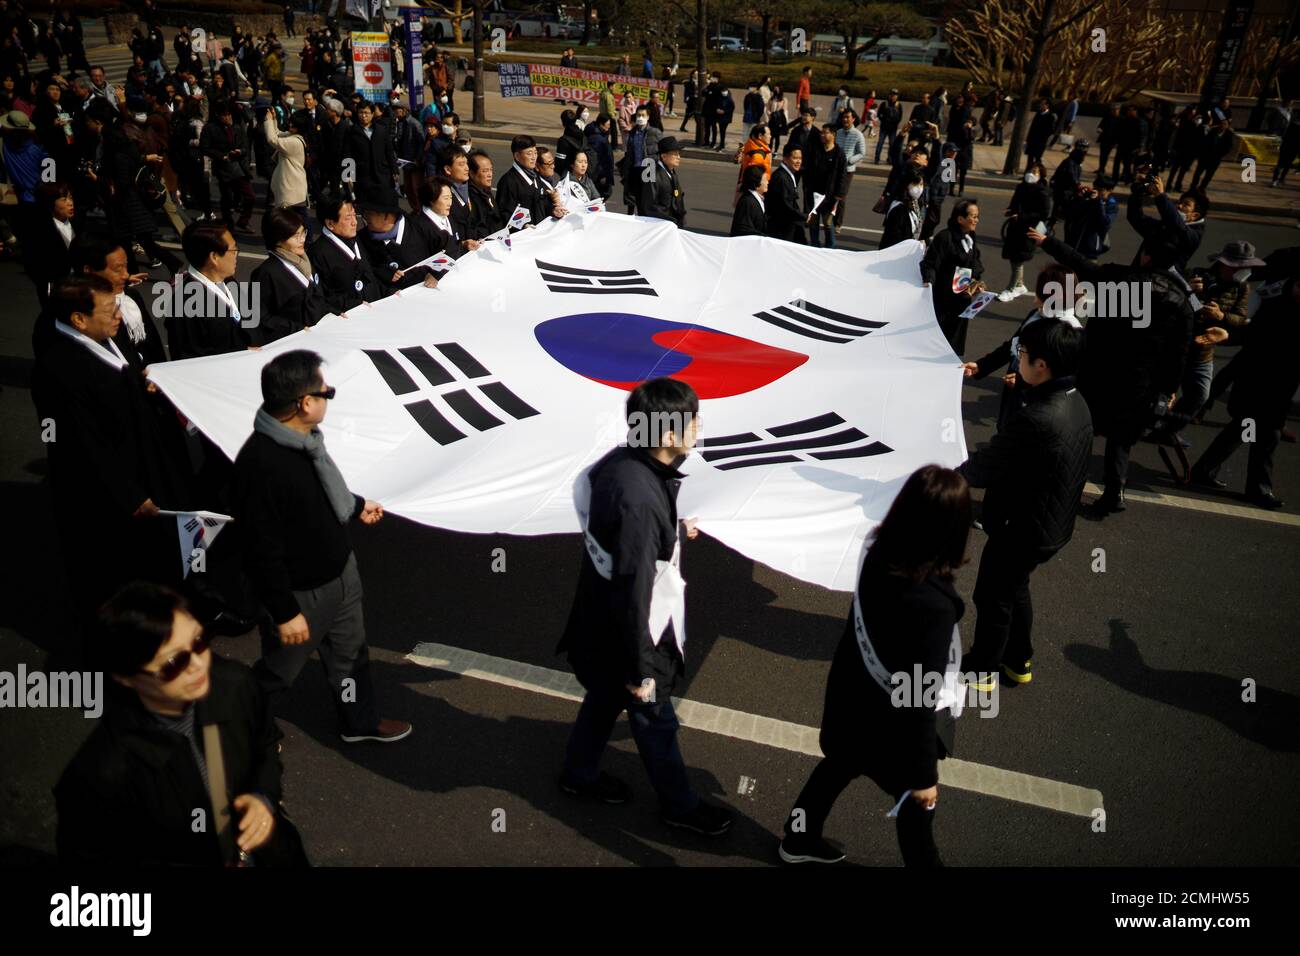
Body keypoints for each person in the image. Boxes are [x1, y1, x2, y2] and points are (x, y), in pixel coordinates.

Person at [556, 378, 732, 836]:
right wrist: (639, 670)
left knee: (604, 696)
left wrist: (671, 527)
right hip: (631, 633)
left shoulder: (622, 464)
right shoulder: (640, 501)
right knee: (654, 715)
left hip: (599, 621)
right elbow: (635, 590)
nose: (699, 426)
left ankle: (579, 773)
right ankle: (680, 805)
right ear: (669, 435)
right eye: (692, 420)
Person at [779, 465, 971, 866]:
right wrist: (923, 777)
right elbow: (919, 698)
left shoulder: (876, 547)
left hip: (853, 695)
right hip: (893, 728)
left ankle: (797, 838)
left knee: (837, 768)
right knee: (916, 811)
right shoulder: (933, 606)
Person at [55, 582, 306, 866]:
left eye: (199, 642)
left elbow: (266, 745)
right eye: (174, 663)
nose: (199, 664)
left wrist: (264, 798)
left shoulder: (236, 684)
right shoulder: (102, 772)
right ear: (126, 677)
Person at [233, 350, 412, 744]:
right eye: (325, 390)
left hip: (341, 572)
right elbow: (259, 549)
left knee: (352, 657)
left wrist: (358, 504)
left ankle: (360, 723)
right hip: (302, 594)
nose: (329, 396)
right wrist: (285, 612)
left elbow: (320, 495)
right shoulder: (260, 464)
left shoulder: (307, 442)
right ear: (304, 403)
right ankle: (237, 726)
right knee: (279, 672)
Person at [30, 277, 189, 618]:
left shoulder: (104, 338)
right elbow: (79, 446)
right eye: (109, 309)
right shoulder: (58, 369)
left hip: (143, 461)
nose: (119, 314)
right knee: (119, 565)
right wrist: (130, 494)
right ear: (78, 319)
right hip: (112, 490)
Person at [957, 319, 1092, 688]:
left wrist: (935, 479)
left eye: (1023, 355)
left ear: (1043, 366)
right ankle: (1018, 661)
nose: (1018, 361)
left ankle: (983, 669)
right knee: (1014, 589)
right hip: (1052, 523)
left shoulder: (1036, 418)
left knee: (992, 595)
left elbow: (983, 468)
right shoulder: (1075, 401)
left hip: (1022, 527)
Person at [1032, 228, 1194, 516]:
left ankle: (1065, 487)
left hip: (1101, 370)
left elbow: (1082, 264)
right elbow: (1179, 353)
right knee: (1121, 439)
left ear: (1145, 255)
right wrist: (1168, 390)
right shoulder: (1180, 300)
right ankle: (1114, 490)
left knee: (1083, 431)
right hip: (1142, 382)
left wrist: (1048, 241)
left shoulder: (1119, 278)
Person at [1191, 273, 1300, 510]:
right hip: (1259, 382)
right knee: (1265, 434)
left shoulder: (1282, 306)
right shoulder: (1277, 309)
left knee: (1244, 428)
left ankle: (1205, 469)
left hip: (1277, 386)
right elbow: (1250, 340)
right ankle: (1258, 489)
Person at [962, 263, 1085, 431]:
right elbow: (1011, 345)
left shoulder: (1068, 333)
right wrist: (981, 366)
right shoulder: (1036, 316)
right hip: (1015, 393)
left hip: (1038, 408)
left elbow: (1060, 380)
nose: (1035, 300)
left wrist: (1022, 382)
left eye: (1040, 295)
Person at [167, 221, 254, 359]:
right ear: (214, 257)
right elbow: (190, 361)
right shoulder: (185, 305)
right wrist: (242, 351)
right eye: (233, 250)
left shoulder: (228, 281)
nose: (237, 254)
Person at [250, 205, 329, 342]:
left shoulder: (305, 261)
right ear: (278, 239)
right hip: (291, 343)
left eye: (303, 233)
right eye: (295, 236)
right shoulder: (264, 273)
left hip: (319, 336)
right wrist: (295, 329)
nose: (302, 240)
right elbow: (255, 318)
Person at [920, 199, 986, 355]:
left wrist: (977, 282)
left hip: (962, 299)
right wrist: (928, 282)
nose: (976, 220)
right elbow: (930, 263)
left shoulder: (971, 238)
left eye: (977, 216)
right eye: (973, 216)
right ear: (960, 219)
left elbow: (975, 263)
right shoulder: (945, 238)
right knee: (937, 341)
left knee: (954, 342)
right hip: (944, 300)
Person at [308, 194, 384, 314]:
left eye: (355, 215)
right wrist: (353, 305)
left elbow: (372, 275)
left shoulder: (356, 240)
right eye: (348, 218)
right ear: (330, 224)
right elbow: (321, 297)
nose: (355, 222)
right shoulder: (317, 253)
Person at [1126, 175, 1205, 275]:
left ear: (1195, 215)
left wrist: (1160, 196)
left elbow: (1176, 225)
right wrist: (1138, 192)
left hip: (1162, 285)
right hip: (1137, 279)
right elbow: (1136, 217)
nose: (1179, 206)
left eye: (1186, 204)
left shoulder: (1193, 236)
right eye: (1180, 202)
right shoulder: (1165, 225)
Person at [997, 160, 1050, 301]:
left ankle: (1010, 289)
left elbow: (1043, 214)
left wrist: (1021, 216)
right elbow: (1015, 203)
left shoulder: (1042, 193)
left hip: (1027, 230)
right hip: (1015, 228)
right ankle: (1019, 284)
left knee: (1018, 260)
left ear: (1041, 175)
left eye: (1034, 172)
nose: (1030, 174)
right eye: (1029, 171)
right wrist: (1010, 211)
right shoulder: (1021, 187)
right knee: (1014, 259)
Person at [200, 101, 255, 234]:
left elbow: (245, 146)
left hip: (238, 167)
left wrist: (240, 152)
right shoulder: (210, 129)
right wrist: (221, 156)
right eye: (224, 115)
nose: (228, 117)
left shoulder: (236, 127)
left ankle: (243, 221)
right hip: (223, 167)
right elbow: (205, 148)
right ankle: (228, 222)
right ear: (218, 115)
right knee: (226, 197)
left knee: (250, 196)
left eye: (229, 115)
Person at [496, 134, 560, 227]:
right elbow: (505, 213)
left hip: (538, 231)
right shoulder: (508, 181)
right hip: (522, 237)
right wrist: (523, 225)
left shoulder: (534, 175)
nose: (534, 157)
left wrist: (553, 210)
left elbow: (542, 204)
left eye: (535, 153)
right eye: (529, 153)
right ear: (517, 156)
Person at [345, 100, 398, 206]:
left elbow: (389, 151)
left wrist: (394, 170)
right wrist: (347, 175)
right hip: (362, 176)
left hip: (382, 174)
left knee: (384, 205)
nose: (364, 116)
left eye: (366, 113)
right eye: (361, 112)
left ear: (372, 114)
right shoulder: (351, 131)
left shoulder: (381, 130)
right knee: (366, 208)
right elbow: (347, 153)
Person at [805, 122, 846, 248]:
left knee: (828, 223)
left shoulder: (839, 153)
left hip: (830, 195)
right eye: (821, 133)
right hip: (814, 193)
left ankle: (830, 247)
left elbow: (841, 176)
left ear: (833, 134)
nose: (822, 135)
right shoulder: (815, 150)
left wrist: (839, 194)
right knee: (814, 222)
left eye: (825, 132)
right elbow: (808, 171)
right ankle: (814, 246)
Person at [262, 106, 308, 214]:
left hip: (291, 188)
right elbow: (277, 133)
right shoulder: (293, 136)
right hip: (291, 186)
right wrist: (273, 119)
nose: (290, 125)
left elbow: (273, 140)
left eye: (293, 124)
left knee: (292, 220)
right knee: (297, 219)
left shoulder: (295, 142)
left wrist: (268, 120)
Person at [1062, 175, 1119, 257]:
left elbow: (1105, 224)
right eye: (1095, 188)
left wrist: (1098, 202)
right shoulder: (1088, 198)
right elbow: (1069, 213)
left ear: (1110, 190)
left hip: (1090, 249)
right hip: (1072, 244)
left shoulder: (1111, 206)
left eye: (1100, 190)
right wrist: (1078, 198)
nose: (1096, 192)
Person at [639, 136, 686, 227]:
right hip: (659, 226)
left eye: (679, 154)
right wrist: (670, 221)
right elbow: (648, 206)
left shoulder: (673, 173)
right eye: (675, 154)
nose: (679, 157)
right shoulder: (653, 175)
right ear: (663, 156)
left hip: (673, 225)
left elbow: (678, 199)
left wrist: (681, 218)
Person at [765, 142, 805, 243]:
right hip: (780, 230)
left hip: (787, 226)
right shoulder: (781, 177)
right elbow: (784, 205)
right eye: (795, 158)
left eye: (800, 158)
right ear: (785, 158)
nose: (798, 161)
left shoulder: (788, 174)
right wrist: (803, 217)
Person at [832, 109, 865, 230]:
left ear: (853, 119)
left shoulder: (858, 134)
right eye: (844, 117)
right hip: (835, 168)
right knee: (831, 193)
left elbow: (862, 153)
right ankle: (830, 218)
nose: (845, 119)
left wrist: (850, 160)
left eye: (848, 117)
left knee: (841, 196)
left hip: (848, 170)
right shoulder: (838, 132)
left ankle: (838, 223)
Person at [879, 171, 925, 249]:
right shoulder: (898, 209)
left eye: (921, 184)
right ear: (906, 185)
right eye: (916, 184)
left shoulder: (915, 203)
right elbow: (894, 237)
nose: (919, 188)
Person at [1189, 115, 1234, 193]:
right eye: (1221, 124)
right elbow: (1204, 142)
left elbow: (1228, 147)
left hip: (1216, 158)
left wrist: (1220, 154)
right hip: (1205, 156)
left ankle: (1202, 188)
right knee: (1198, 173)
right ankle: (1193, 187)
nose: (1222, 126)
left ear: (1227, 126)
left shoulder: (1229, 135)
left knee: (1208, 175)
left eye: (1225, 124)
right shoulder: (1213, 131)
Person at [466, 148, 503, 237]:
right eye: (485, 171)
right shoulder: (470, 198)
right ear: (471, 173)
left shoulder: (486, 192)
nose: (490, 174)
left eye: (490, 170)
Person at [730, 164, 768, 237]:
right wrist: (765, 237)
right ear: (757, 183)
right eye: (765, 180)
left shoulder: (756, 199)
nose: (767, 182)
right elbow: (744, 229)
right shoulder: (748, 202)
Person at [1023, 98, 1056, 169]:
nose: (1041, 105)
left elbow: (1052, 130)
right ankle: (1027, 175)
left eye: (1043, 104)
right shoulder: (1038, 114)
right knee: (1030, 159)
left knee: (1037, 159)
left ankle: (1036, 174)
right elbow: (1032, 127)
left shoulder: (1050, 116)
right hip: (1032, 140)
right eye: (1041, 104)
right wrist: (1028, 139)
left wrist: (1043, 135)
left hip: (1041, 142)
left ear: (1047, 105)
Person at [875, 89, 901, 163]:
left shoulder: (898, 105)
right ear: (889, 95)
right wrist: (883, 120)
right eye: (892, 95)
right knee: (880, 142)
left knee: (892, 144)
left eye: (895, 95)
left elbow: (900, 116)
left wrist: (895, 122)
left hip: (893, 129)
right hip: (884, 128)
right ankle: (877, 158)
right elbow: (879, 114)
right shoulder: (884, 103)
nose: (893, 96)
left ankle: (889, 158)